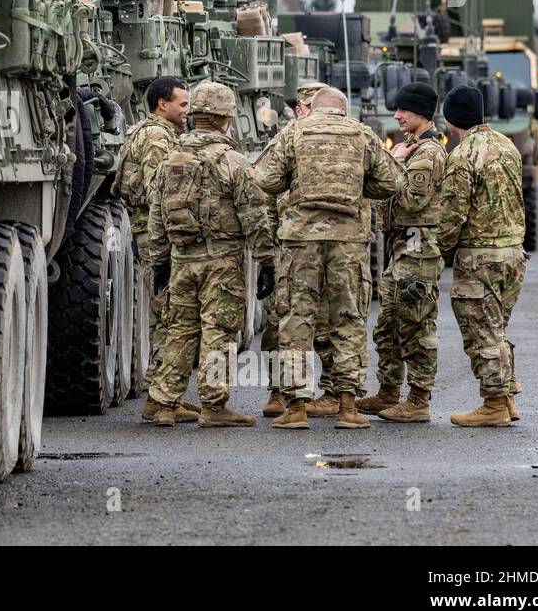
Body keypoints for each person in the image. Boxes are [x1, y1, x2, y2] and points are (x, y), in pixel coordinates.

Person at [253, 86, 405, 429]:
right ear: (343, 109)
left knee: (296, 319)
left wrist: (294, 184)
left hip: (300, 239)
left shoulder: (293, 132)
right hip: (347, 240)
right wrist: (358, 188)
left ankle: (295, 408)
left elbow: (264, 177)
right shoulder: (362, 134)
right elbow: (393, 181)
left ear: (313, 108)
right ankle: (348, 407)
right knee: (348, 319)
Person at [144, 81, 273, 427]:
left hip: (181, 259)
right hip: (223, 261)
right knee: (219, 331)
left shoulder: (172, 157)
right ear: (224, 118)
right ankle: (214, 407)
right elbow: (254, 215)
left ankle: (164, 403)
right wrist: (267, 262)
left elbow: (156, 214)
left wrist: (158, 261)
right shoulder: (233, 161)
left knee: (180, 329)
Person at [436, 85, 526, 427]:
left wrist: (436, 251)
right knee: (496, 328)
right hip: (513, 253)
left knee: (481, 331)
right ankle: (508, 396)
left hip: (480, 256)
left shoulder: (462, 156)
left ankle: (494, 404)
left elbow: (452, 215)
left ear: (450, 119)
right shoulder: (507, 146)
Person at [357, 82, 446, 422]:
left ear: (421, 113)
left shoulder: (428, 153)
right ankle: (388, 392)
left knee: (416, 326)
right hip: (402, 248)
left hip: (418, 248)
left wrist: (391, 165)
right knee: (389, 327)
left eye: (403, 110)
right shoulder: (412, 147)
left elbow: (411, 199)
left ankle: (419, 401)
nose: (396, 116)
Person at [113, 77, 198, 422]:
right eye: (182, 104)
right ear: (162, 104)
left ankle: (166, 395)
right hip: (156, 234)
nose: (187, 111)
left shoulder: (154, 133)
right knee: (169, 312)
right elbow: (158, 191)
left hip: (152, 231)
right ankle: (161, 398)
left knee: (168, 311)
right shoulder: (155, 138)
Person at [261, 80, 326, 417]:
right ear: (299, 110)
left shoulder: (341, 135)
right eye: (307, 107)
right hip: (288, 244)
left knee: (330, 319)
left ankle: (330, 390)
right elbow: (265, 191)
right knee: (280, 320)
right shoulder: (284, 141)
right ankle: (278, 390)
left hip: (328, 244)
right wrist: (270, 245)